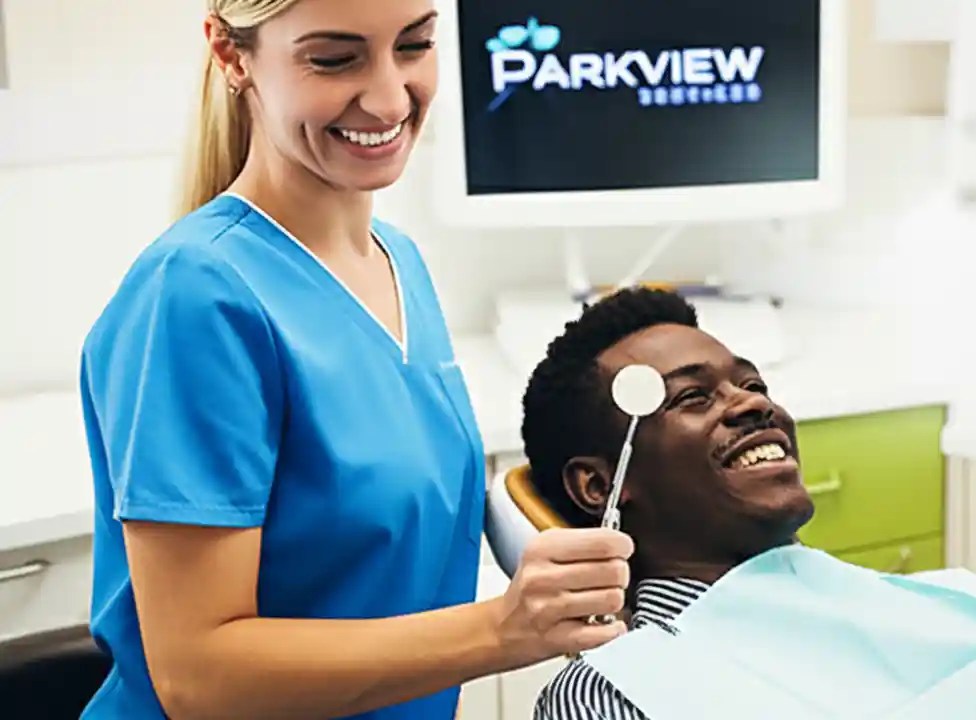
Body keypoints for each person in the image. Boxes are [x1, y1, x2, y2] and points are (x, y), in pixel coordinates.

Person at [76, 1, 631, 718]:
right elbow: (199, 678)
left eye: (415, 45)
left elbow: (368, 518)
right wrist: (504, 627)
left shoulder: (398, 262)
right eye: (335, 59)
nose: (389, 97)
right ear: (230, 54)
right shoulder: (195, 297)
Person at [520, 288, 976, 720]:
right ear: (599, 488)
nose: (750, 405)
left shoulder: (968, 604)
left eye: (755, 385)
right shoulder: (611, 692)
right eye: (692, 397)